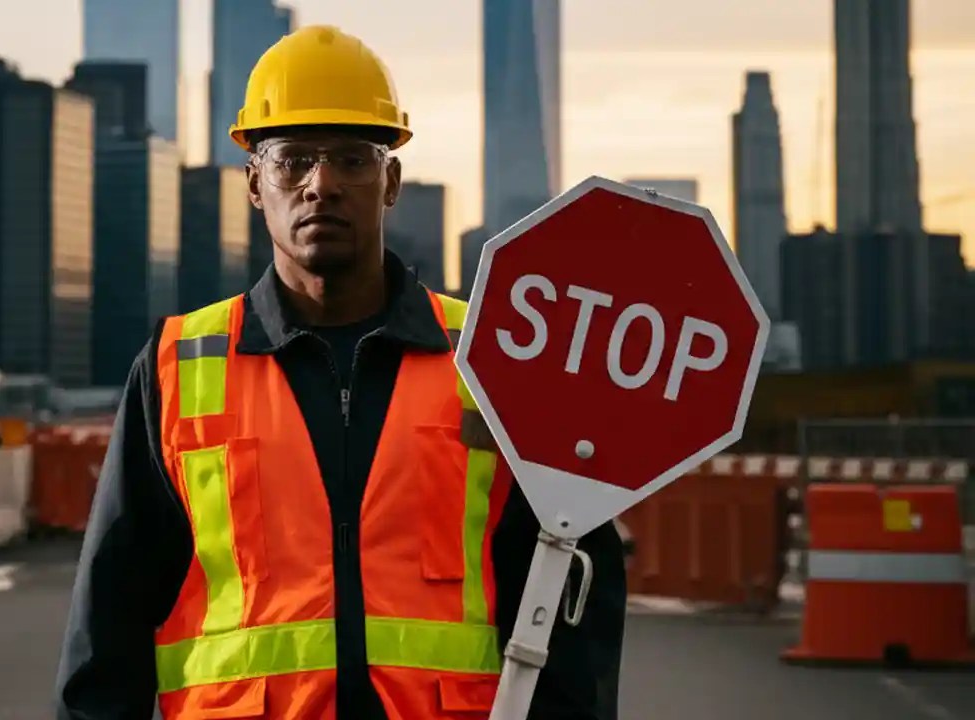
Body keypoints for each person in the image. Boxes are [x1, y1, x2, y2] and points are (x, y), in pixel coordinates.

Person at [55, 24, 626, 720]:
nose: (320, 185)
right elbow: (110, 618)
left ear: (390, 182)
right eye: (292, 160)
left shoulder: (492, 355)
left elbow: (568, 592)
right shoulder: (177, 365)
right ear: (255, 184)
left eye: (352, 160)